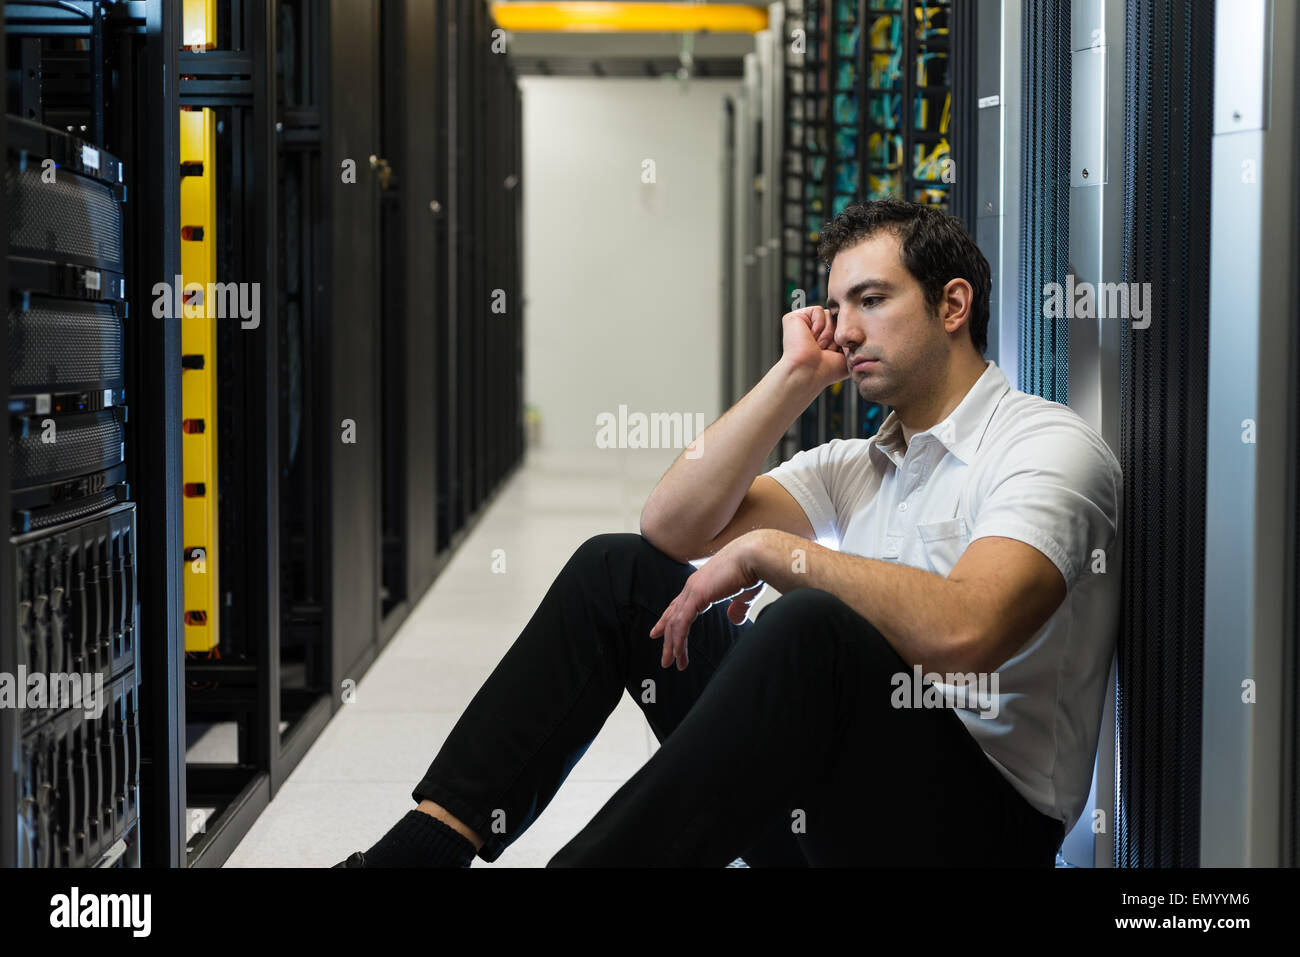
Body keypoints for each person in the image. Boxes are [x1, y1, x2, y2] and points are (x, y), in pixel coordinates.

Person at [335, 198, 1121, 868]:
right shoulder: (864, 462)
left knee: (812, 626)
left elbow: (971, 627)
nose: (845, 330)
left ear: (953, 306)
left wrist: (777, 552)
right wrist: (792, 379)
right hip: (839, 807)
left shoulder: (1044, 446)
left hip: (973, 830)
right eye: (836, 306)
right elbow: (670, 525)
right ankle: (418, 854)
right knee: (616, 572)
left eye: (872, 300)